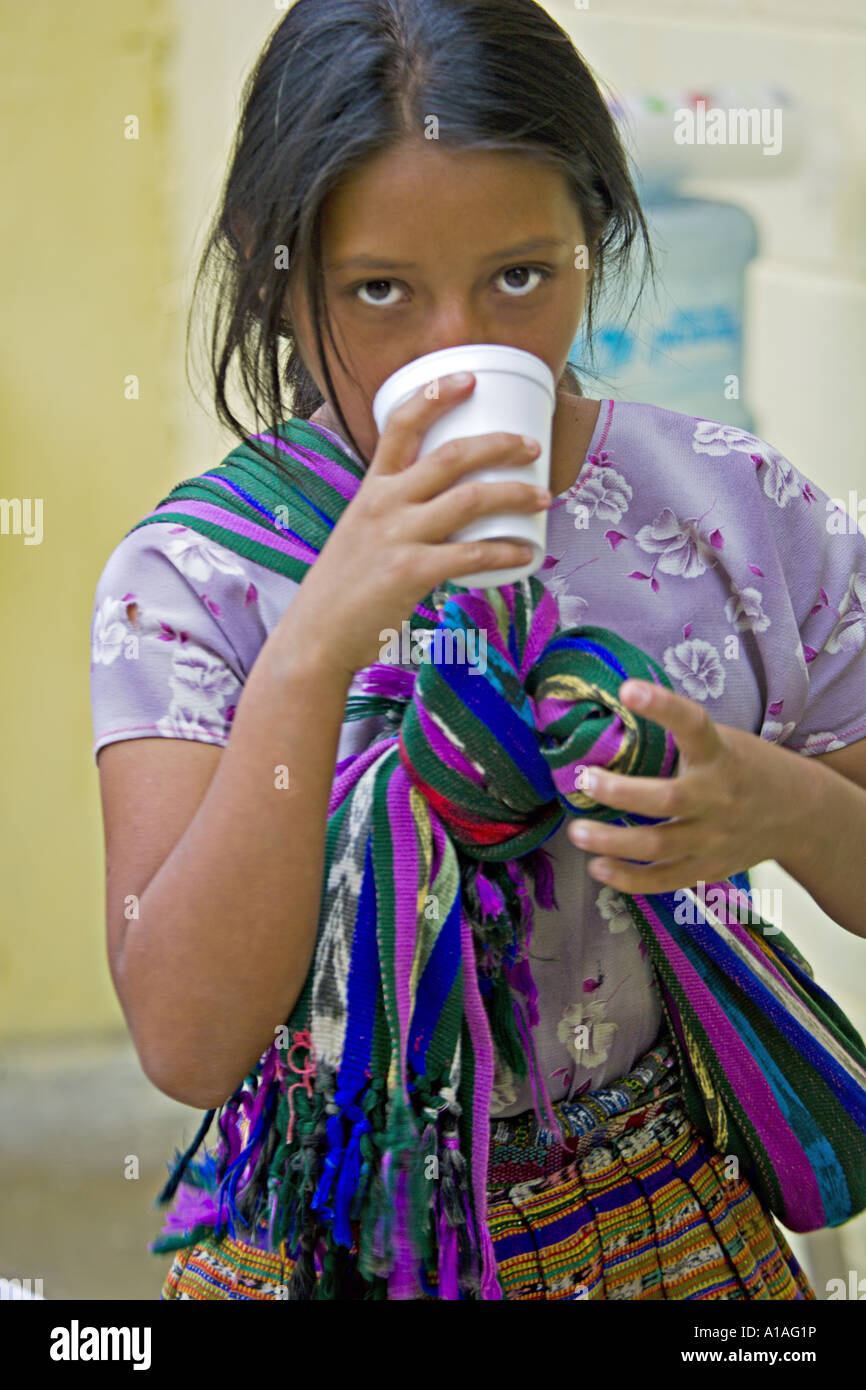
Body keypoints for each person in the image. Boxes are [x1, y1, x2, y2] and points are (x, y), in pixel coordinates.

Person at [90, 0, 866, 1300]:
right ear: (277, 278)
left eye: (520, 275)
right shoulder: (194, 582)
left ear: (594, 240)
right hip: (333, 1228)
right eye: (380, 291)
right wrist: (316, 645)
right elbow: (185, 1039)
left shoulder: (739, 512)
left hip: (663, 1220)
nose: (459, 349)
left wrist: (773, 804)